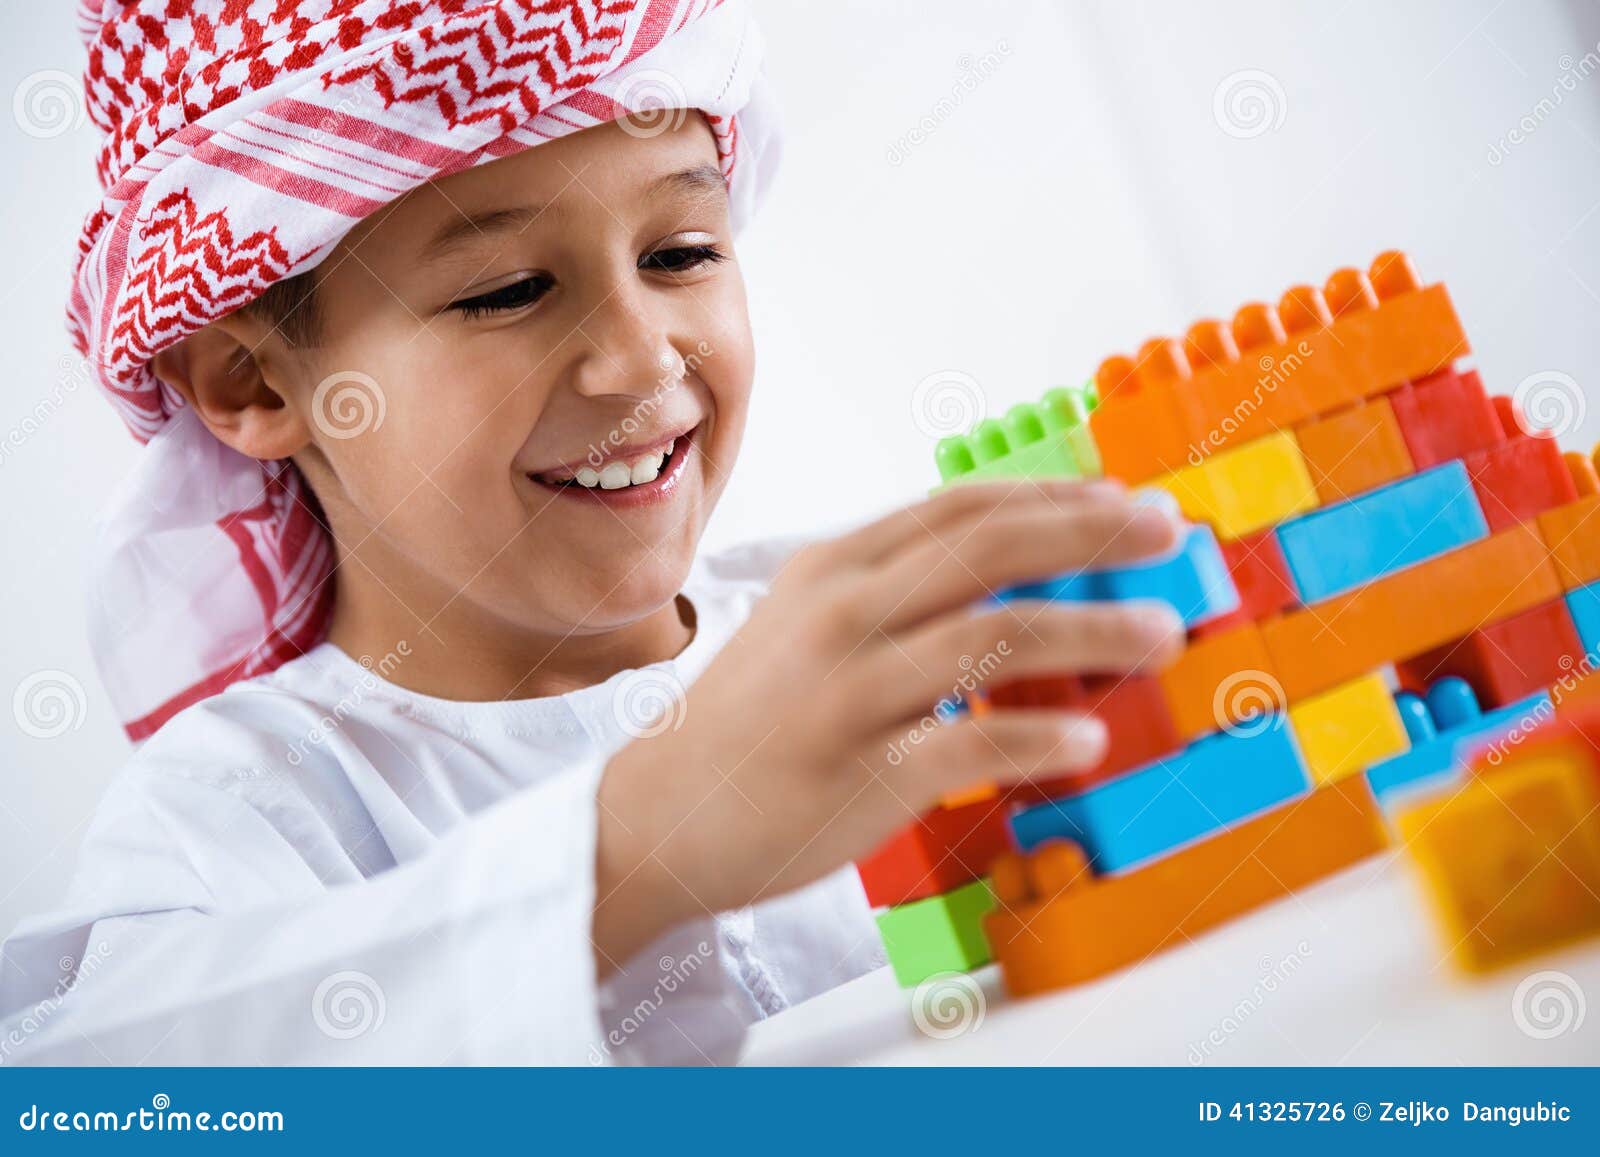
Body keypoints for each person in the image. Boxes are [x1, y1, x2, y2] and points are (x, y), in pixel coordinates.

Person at [0, 0, 1184, 1064]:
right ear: (253, 381)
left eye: (678, 254)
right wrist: (634, 844)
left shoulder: (882, 635)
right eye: (508, 289)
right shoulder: (239, 814)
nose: (639, 359)